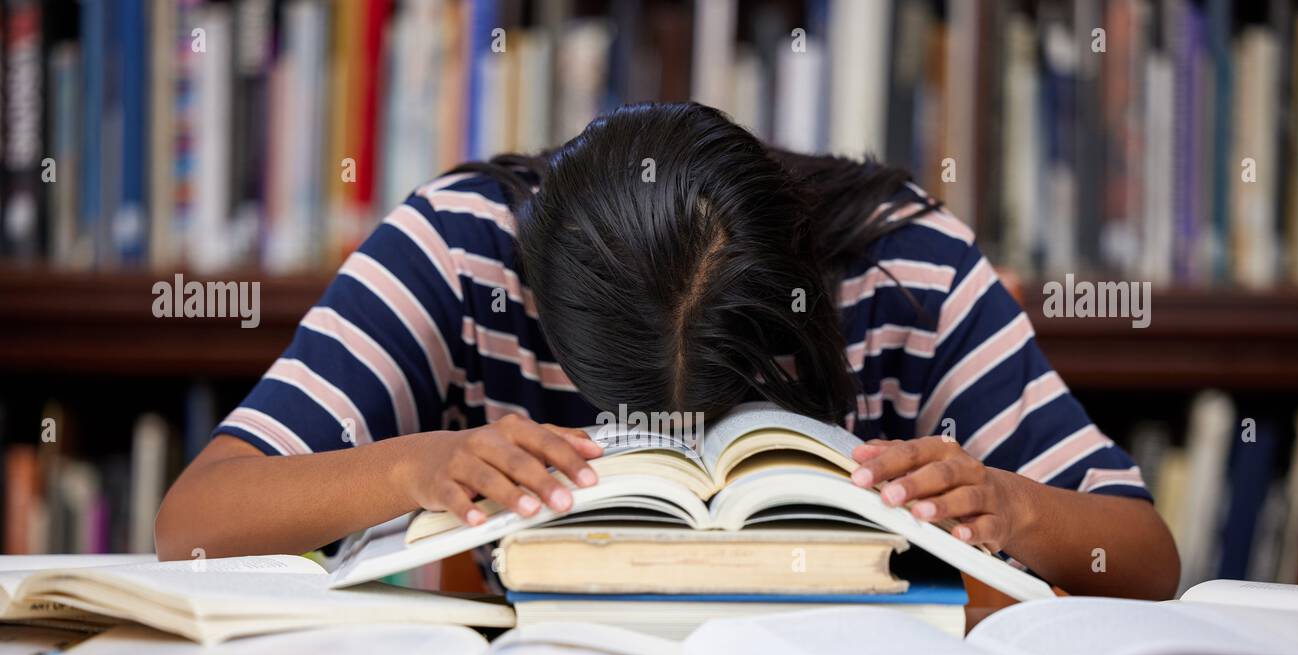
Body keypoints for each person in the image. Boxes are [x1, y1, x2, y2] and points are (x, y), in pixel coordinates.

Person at [156, 102, 1179, 599]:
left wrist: (1016, 507)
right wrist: (411, 465)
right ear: (542, 287)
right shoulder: (461, 248)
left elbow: (1142, 555)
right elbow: (195, 524)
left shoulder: (901, 266)